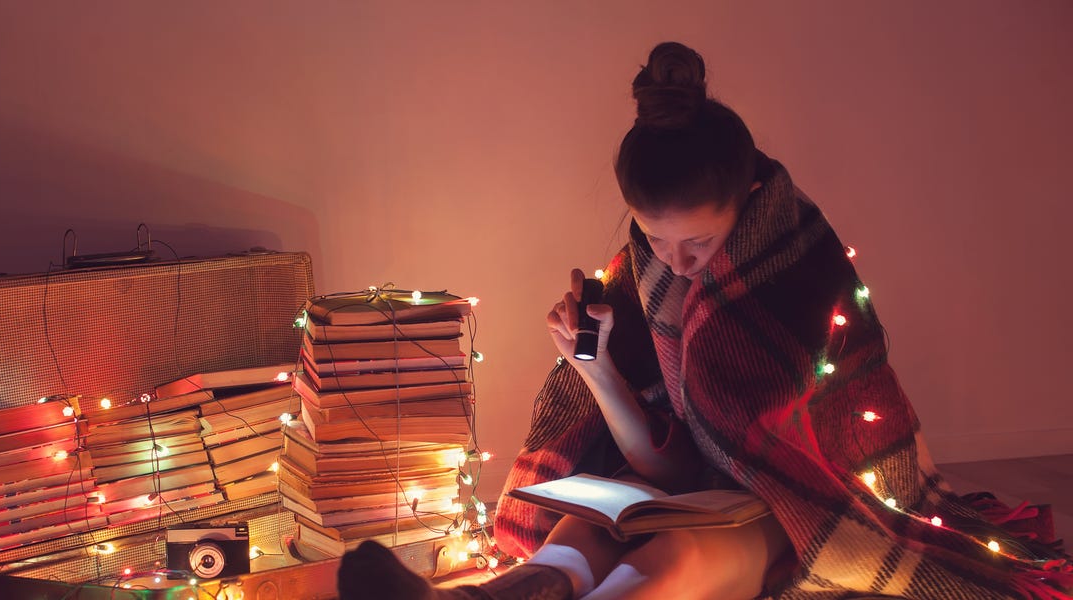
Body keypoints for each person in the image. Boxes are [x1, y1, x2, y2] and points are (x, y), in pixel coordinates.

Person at [336, 42, 1071, 600]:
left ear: (747, 202)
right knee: (589, 524)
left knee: (679, 553)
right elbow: (669, 464)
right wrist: (596, 368)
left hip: (793, 498)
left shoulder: (799, 271)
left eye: (699, 241)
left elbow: (758, 465)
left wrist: (691, 474)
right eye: (655, 238)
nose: (677, 260)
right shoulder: (641, 277)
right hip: (688, 488)